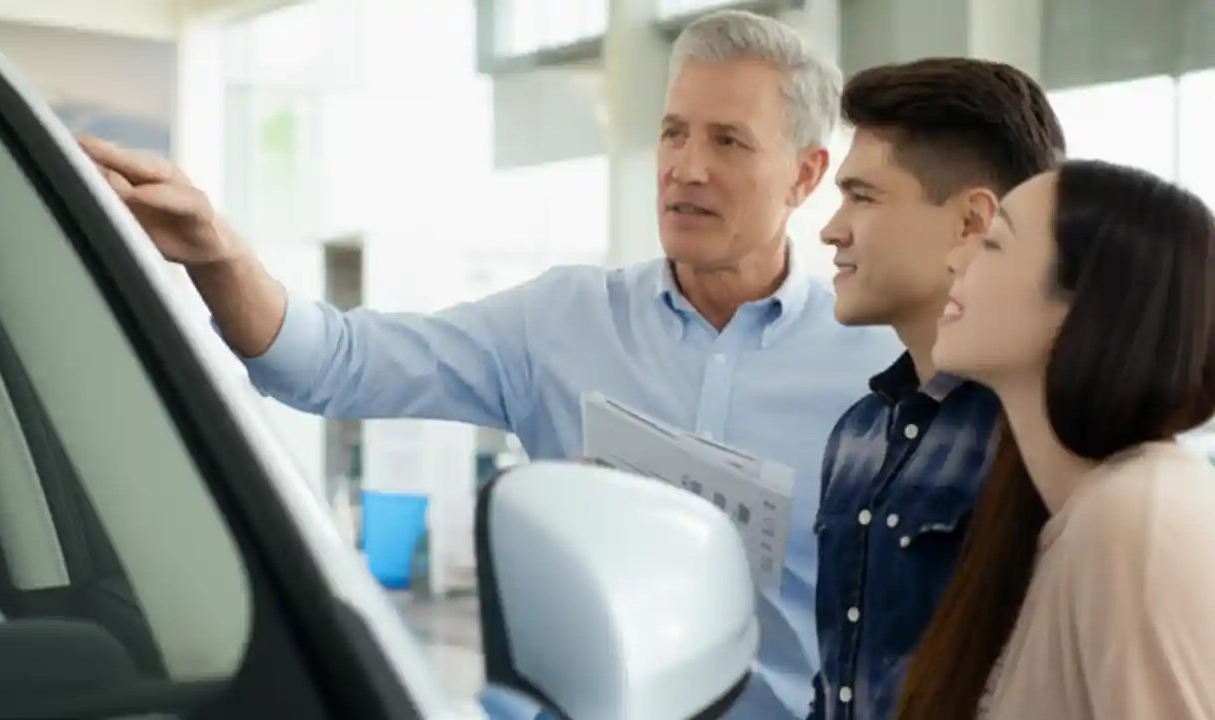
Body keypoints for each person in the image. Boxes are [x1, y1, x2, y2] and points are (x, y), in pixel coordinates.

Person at [81, 10, 900, 719]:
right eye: (673, 131)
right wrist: (215, 253)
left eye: (728, 141)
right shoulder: (561, 322)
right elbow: (331, 363)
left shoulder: (883, 367)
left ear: (804, 174)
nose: (686, 167)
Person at [898, 160, 1215, 719]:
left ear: (1091, 304)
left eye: (994, 243)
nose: (956, 259)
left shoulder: (1135, 514)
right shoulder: (1058, 505)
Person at [809, 58, 1066, 720]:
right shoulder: (858, 435)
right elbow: (839, 681)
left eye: (862, 196)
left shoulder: (1046, 436)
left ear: (970, 221)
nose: (831, 229)